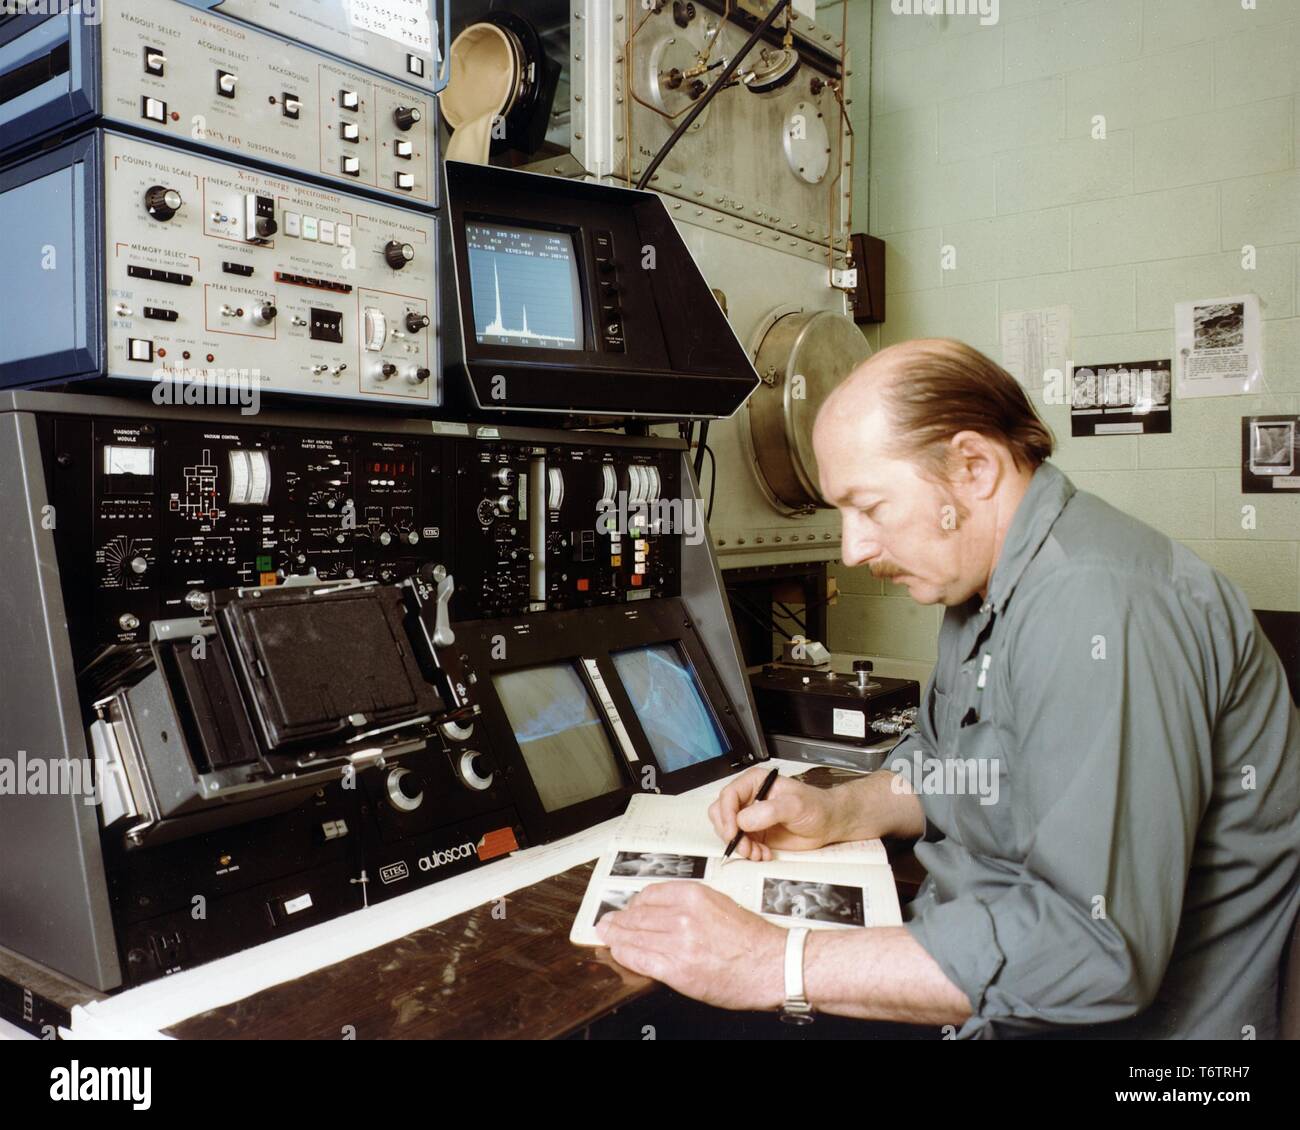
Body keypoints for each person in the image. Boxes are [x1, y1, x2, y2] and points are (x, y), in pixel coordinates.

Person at [596, 338, 1300, 1038]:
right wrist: (839, 812)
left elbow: (1092, 951)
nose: (852, 550)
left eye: (869, 507)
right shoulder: (985, 587)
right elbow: (952, 769)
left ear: (974, 467)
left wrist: (772, 961)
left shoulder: (1101, 607)